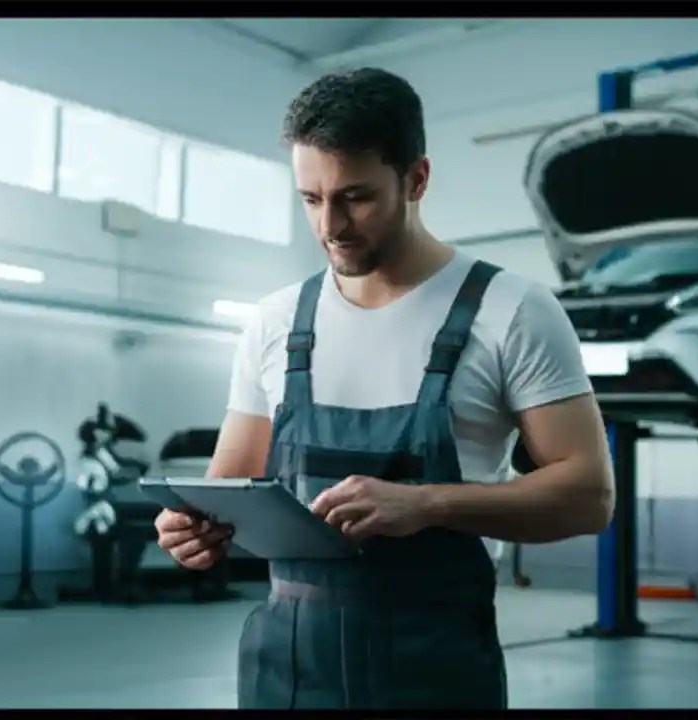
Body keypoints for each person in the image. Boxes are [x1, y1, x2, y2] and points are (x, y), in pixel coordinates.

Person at [154, 67, 615, 710]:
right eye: (311, 199)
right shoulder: (274, 322)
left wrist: (427, 504)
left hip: (435, 671)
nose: (331, 226)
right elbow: (227, 488)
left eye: (356, 196)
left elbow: (589, 496)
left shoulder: (513, 311)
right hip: (285, 674)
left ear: (416, 178)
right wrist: (190, 531)